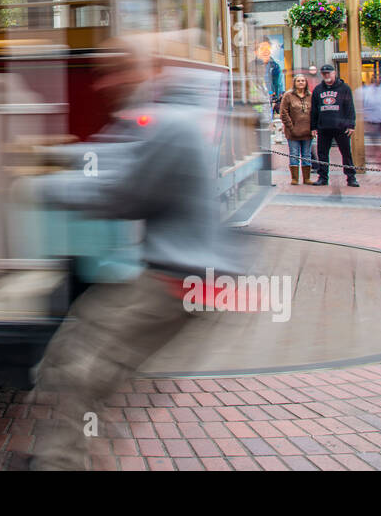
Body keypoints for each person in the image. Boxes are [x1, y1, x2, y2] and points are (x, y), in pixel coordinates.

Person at [26, 35, 243, 470]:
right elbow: (111, 159)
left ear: (149, 71)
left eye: (117, 70)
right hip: (173, 274)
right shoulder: (153, 118)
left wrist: (31, 186)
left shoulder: (166, 123)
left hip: (177, 280)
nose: (104, 82)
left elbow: (120, 191)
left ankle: (62, 464)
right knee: (71, 360)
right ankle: (81, 454)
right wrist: (48, 153)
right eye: (103, 71)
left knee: (76, 371)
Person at [311, 64, 359, 187]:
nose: (327, 75)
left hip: (341, 127)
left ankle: (351, 177)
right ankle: (323, 177)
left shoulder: (344, 88)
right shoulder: (318, 90)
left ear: (334, 73)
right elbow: (314, 110)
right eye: (324, 73)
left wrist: (351, 125)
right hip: (324, 127)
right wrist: (313, 127)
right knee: (322, 154)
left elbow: (349, 108)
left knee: (346, 152)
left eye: (329, 73)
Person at [279, 73, 314, 185]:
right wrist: (291, 127)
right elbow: (283, 113)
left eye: (303, 80)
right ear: (294, 82)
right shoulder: (288, 95)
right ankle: (294, 178)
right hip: (293, 131)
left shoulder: (310, 95)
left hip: (307, 131)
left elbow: (315, 112)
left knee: (307, 154)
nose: (301, 82)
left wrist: (314, 127)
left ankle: (307, 178)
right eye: (298, 80)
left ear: (306, 83)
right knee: (294, 153)